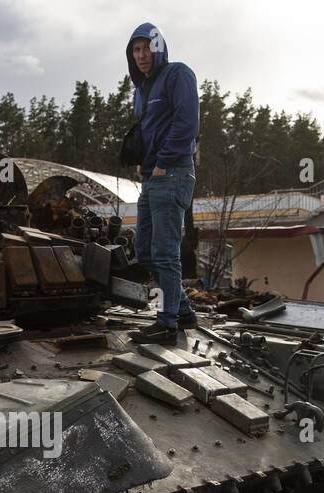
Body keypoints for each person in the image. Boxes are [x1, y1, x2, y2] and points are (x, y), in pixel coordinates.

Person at [126, 22, 200, 345]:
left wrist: (163, 161)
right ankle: (182, 310)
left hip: (172, 173)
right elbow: (148, 132)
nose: (142, 55)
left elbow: (188, 123)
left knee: (166, 253)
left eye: (146, 48)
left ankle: (166, 324)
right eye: (136, 50)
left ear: (158, 48)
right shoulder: (140, 92)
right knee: (144, 251)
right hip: (150, 178)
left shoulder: (178, 75)